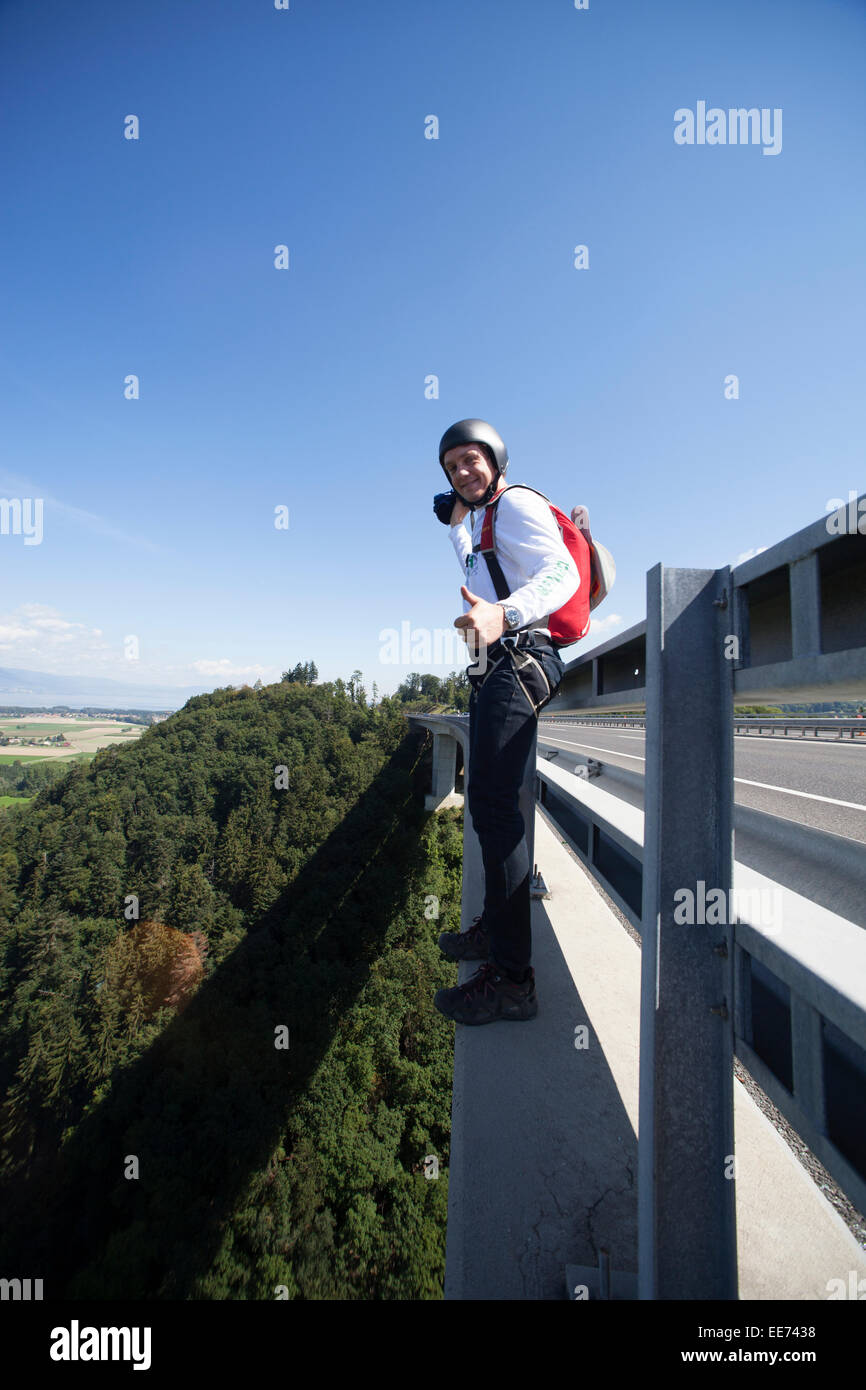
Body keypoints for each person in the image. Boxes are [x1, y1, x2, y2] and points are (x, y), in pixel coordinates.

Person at [432, 419, 581, 1025]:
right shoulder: (481, 522)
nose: (462, 472)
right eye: (451, 468)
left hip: (522, 657)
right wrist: (454, 528)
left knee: (495, 809)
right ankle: (495, 932)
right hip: (495, 666)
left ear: (495, 461)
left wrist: (506, 612)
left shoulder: (515, 503)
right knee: (490, 808)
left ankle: (514, 981)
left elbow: (561, 575)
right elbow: (473, 564)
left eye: (470, 460)